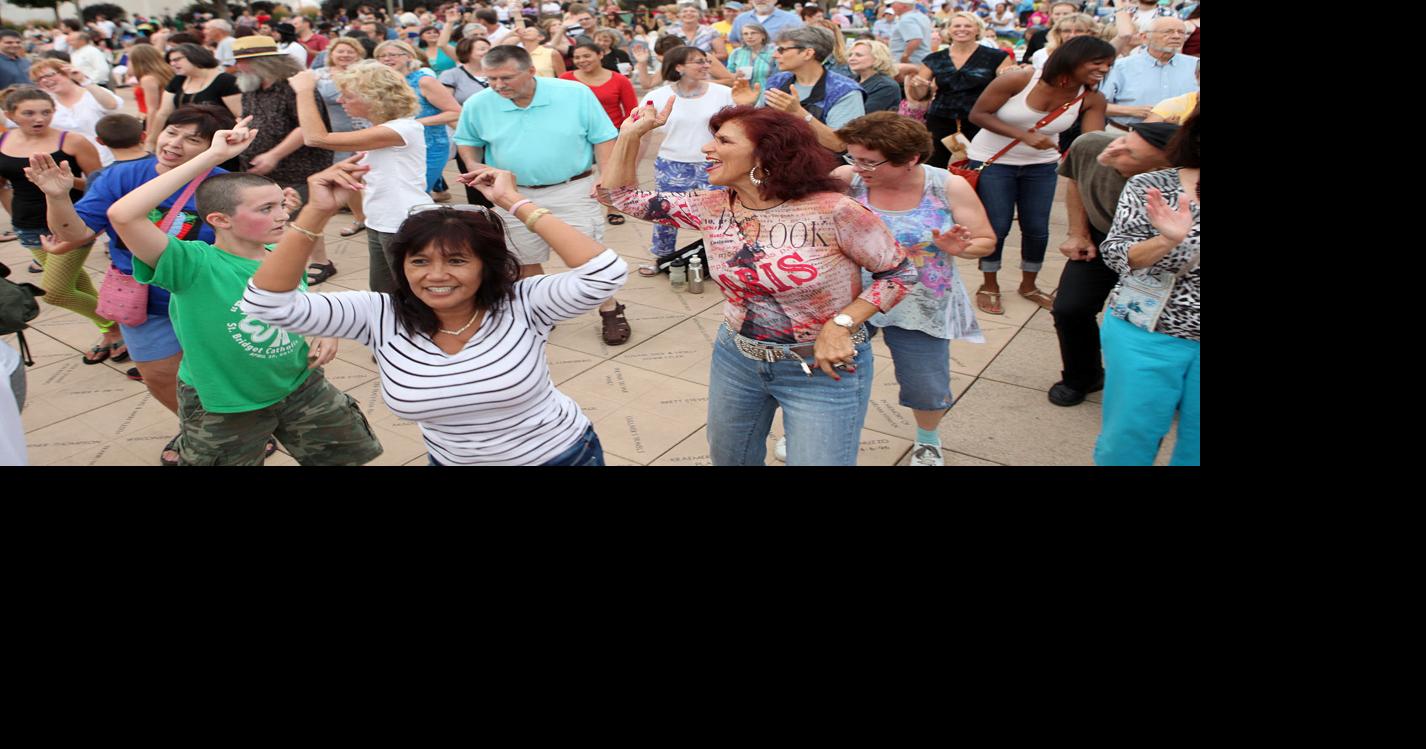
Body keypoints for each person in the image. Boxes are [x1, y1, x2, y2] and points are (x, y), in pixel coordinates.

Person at [241, 158, 629, 466]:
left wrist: (514, 202)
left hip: (559, 455)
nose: (436, 276)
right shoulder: (378, 314)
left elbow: (605, 272)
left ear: (486, 267)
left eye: (457, 260)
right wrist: (316, 211)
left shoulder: (522, 302)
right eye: (420, 261)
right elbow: (266, 303)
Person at [601, 102, 917, 466]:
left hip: (822, 366)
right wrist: (630, 135)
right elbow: (618, 197)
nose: (706, 148)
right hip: (737, 359)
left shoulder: (834, 211)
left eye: (723, 141)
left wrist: (842, 324)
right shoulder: (712, 205)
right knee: (730, 459)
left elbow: (899, 272)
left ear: (766, 154)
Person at [104, 117, 382, 466]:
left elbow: (297, 301)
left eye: (281, 205)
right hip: (224, 405)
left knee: (344, 457)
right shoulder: (192, 264)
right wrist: (212, 156)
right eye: (266, 209)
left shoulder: (282, 254)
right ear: (220, 220)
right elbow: (124, 215)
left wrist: (324, 329)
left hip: (301, 385)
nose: (282, 216)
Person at [34, 104, 239, 465]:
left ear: (214, 146)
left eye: (193, 139)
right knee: (159, 375)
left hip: (207, 298)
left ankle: (241, 430)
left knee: (224, 373)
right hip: (145, 302)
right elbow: (76, 233)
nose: (174, 143)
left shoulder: (227, 185)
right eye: (172, 132)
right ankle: (197, 429)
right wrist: (57, 196)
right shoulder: (120, 176)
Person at [833, 112, 995, 466]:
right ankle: (817, 430)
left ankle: (927, 440)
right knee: (831, 371)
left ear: (911, 159)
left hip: (920, 301)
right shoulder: (847, 180)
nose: (858, 167)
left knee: (926, 382)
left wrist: (960, 248)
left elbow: (985, 240)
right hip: (854, 298)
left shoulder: (947, 185)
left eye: (869, 161)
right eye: (853, 157)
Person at [453, 45, 630, 346]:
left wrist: (606, 176)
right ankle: (540, 310)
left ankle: (609, 307)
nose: (498, 85)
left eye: (506, 78)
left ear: (531, 71)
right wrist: (472, 163)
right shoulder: (478, 103)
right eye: (491, 79)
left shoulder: (574, 94)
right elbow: (467, 141)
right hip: (512, 193)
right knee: (523, 258)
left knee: (587, 257)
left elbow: (603, 137)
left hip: (572, 188)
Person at [966, 35, 1112, 314]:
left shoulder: (1092, 98)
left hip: (1041, 165)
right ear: (1073, 60)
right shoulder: (1021, 79)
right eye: (1097, 63)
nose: (1104, 69)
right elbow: (979, 114)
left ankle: (1029, 285)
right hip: (993, 161)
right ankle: (989, 284)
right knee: (997, 226)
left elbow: (1093, 141)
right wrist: (1023, 135)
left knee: (1036, 228)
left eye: (1108, 64)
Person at [1049, 120, 1177, 407]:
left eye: (1130, 153)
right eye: (1122, 141)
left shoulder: (1182, 178)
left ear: (1163, 166)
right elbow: (1076, 180)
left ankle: (1175, 384)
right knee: (1070, 309)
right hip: (1102, 237)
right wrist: (1077, 232)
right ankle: (1083, 376)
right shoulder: (1091, 145)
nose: (1113, 150)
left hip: (1162, 251)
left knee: (1163, 325)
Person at [1096, 105, 1198, 466]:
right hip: (1148, 332)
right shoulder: (1153, 185)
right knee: (1127, 441)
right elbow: (1116, 254)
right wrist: (1166, 240)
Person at [291, 63, 430, 297]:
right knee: (383, 292)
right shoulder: (384, 129)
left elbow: (316, 138)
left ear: (374, 98)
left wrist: (304, 91)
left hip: (400, 221)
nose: (340, 101)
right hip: (379, 220)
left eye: (348, 96)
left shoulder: (403, 128)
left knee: (408, 294)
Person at [0, 87, 113, 364]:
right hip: (28, 227)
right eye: (29, 113)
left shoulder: (72, 141)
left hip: (69, 225)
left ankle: (120, 328)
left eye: (46, 112)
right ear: (10, 115)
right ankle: (110, 331)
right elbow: (2, 186)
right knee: (77, 283)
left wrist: (63, 181)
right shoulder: (3, 142)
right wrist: (14, 216)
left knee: (56, 292)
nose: (39, 118)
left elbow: (99, 185)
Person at [232, 35, 338, 284]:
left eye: (243, 61)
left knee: (303, 216)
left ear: (265, 62)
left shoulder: (294, 86)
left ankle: (321, 262)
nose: (238, 67)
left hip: (299, 165)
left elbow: (306, 127)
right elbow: (249, 116)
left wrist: (274, 154)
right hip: (261, 166)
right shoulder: (252, 86)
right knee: (273, 212)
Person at [638, 45, 734, 269]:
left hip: (714, 165)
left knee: (719, 215)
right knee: (665, 214)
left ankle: (722, 262)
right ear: (679, 67)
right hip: (671, 166)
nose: (706, 65)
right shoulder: (657, 96)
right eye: (699, 61)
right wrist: (630, 168)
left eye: (706, 61)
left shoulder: (724, 93)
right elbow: (642, 136)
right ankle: (661, 259)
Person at [731, 26, 864, 153]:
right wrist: (746, 108)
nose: (775, 55)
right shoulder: (777, 81)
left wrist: (799, 113)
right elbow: (760, 132)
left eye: (782, 50)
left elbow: (840, 145)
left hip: (822, 165)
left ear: (808, 53)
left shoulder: (844, 90)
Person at [907, 11, 1012, 168]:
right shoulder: (934, 58)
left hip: (980, 119)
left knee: (980, 167)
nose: (962, 29)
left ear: (978, 30)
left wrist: (1008, 74)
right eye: (957, 26)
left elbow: (1006, 84)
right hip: (941, 119)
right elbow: (919, 96)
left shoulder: (997, 57)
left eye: (968, 26)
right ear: (949, 30)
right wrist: (918, 86)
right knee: (933, 165)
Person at [373, 40, 461, 201]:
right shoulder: (382, 84)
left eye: (392, 54)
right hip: (395, 146)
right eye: (381, 56)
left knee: (414, 194)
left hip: (429, 147)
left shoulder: (424, 81)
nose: (386, 59)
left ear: (409, 56)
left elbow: (455, 113)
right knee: (398, 194)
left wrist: (415, 124)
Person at [561, 43, 637, 227]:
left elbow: (631, 111)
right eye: (577, 57)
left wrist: (629, 137)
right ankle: (575, 207)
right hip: (577, 134)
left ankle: (613, 207)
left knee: (610, 172)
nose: (582, 60)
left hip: (611, 134)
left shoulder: (619, 80)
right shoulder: (565, 79)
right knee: (577, 173)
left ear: (600, 54)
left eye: (587, 56)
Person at [312, 37, 373, 239]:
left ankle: (378, 216)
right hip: (335, 133)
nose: (345, 55)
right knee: (346, 178)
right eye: (340, 51)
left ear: (358, 54)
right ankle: (360, 218)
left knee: (372, 175)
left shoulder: (366, 72)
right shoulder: (318, 74)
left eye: (350, 51)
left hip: (365, 129)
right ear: (331, 54)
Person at [146, 44, 242, 160]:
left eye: (177, 59)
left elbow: (240, 115)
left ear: (195, 56)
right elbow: (163, 113)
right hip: (181, 139)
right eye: (170, 61)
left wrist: (230, 140)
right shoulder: (178, 79)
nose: (172, 64)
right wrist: (151, 141)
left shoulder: (225, 80)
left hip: (212, 141)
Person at [1100, 16, 1196, 129]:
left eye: (1181, 32)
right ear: (1144, 37)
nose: (1176, 36)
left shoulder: (1195, 65)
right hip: (1124, 132)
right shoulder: (1120, 67)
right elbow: (1096, 105)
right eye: (1168, 32)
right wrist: (1132, 111)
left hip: (1182, 135)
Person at [28, 59, 121, 167]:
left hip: (107, 160)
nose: (44, 80)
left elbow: (112, 105)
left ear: (67, 72)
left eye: (49, 75)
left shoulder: (92, 92)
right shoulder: (46, 103)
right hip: (69, 164)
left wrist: (84, 80)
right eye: (39, 79)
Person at [439, 36, 492, 207]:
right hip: (469, 137)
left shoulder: (496, 72)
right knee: (477, 182)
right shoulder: (452, 75)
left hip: (498, 134)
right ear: (467, 52)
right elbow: (444, 107)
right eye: (482, 48)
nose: (487, 51)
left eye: (489, 47)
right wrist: (465, 132)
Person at [126, 44, 174, 140]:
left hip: (151, 120)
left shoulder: (148, 79)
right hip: (164, 118)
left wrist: (149, 134)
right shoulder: (163, 74)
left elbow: (152, 108)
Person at [846, 39, 902, 113]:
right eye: (850, 55)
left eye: (859, 55)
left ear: (877, 58)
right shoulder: (849, 80)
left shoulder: (886, 86)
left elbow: (863, 114)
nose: (851, 59)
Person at [728, 0, 804, 45]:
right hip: (747, 66)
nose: (760, 0)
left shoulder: (792, 19)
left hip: (779, 66)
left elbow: (801, 43)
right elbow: (734, 41)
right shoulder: (740, 19)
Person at [726, 22, 774, 89]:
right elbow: (728, 75)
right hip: (742, 92)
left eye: (753, 33)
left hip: (767, 93)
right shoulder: (736, 53)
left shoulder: (773, 52)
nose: (749, 36)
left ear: (763, 35)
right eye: (745, 34)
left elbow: (781, 75)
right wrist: (735, 75)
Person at [888, 0, 934, 68]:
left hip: (910, 62)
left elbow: (915, 39)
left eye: (894, 4)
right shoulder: (921, 16)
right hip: (921, 59)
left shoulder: (907, 19)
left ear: (903, 6)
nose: (891, 6)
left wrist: (904, 57)